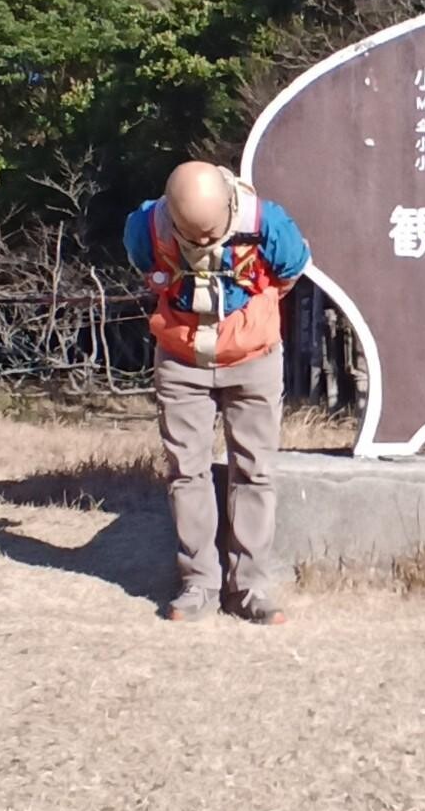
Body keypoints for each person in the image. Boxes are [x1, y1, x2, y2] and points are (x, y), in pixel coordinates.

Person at [123, 161, 310, 624]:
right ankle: (199, 583)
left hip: (254, 361)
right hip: (181, 360)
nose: (204, 244)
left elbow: (289, 274)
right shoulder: (145, 227)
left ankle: (250, 587)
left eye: (212, 233)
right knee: (186, 472)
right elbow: (145, 269)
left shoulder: (267, 223)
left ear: (230, 205)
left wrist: (244, 326)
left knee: (255, 471)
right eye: (193, 236)